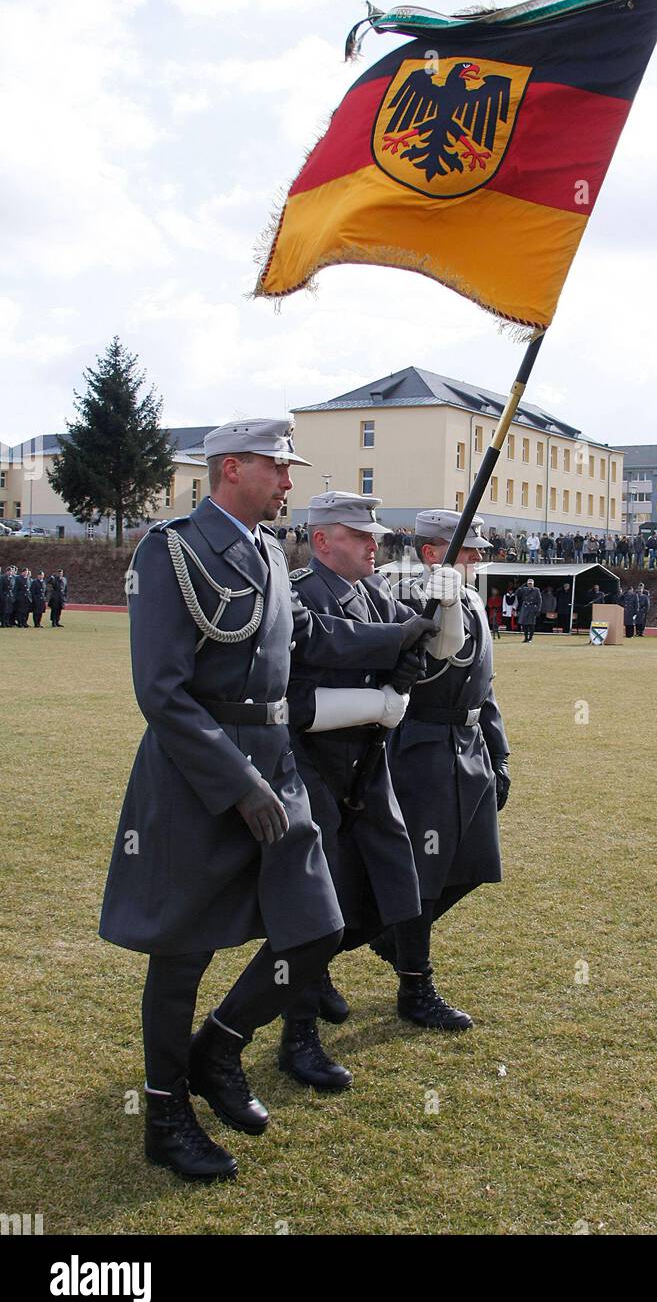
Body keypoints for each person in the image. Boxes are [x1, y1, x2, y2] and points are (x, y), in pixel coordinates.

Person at [99, 419, 435, 1182]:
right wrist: (237, 785)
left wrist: (398, 636)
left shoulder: (263, 550)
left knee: (316, 927)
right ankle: (164, 1111)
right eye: (277, 468)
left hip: (274, 766)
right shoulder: (171, 551)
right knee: (181, 952)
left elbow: (310, 636)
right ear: (231, 470)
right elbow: (162, 692)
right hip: (198, 778)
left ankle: (218, 1049)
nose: (290, 483)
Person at [278, 491, 462, 1088]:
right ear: (324, 541)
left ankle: (385, 981)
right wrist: (381, 692)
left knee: (390, 886)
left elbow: (418, 655)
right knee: (318, 902)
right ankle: (298, 1034)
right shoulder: (301, 597)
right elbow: (294, 698)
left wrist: (409, 659)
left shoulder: (375, 593)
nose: (373, 545)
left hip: (369, 763)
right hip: (315, 765)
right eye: (360, 536)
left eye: (375, 535)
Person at [374, 508, 510, 1030]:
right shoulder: (409, 596)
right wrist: (439, 606)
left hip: (470, 741)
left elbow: (485, 683)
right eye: (467, 547)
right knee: (424, 876)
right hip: (425, 746)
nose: (477, 555)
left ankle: (392, 938)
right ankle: (416, 985)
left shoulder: (473, 597)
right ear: (432, 553)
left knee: (476, 863)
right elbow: (426, 668)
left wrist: (499, 752)